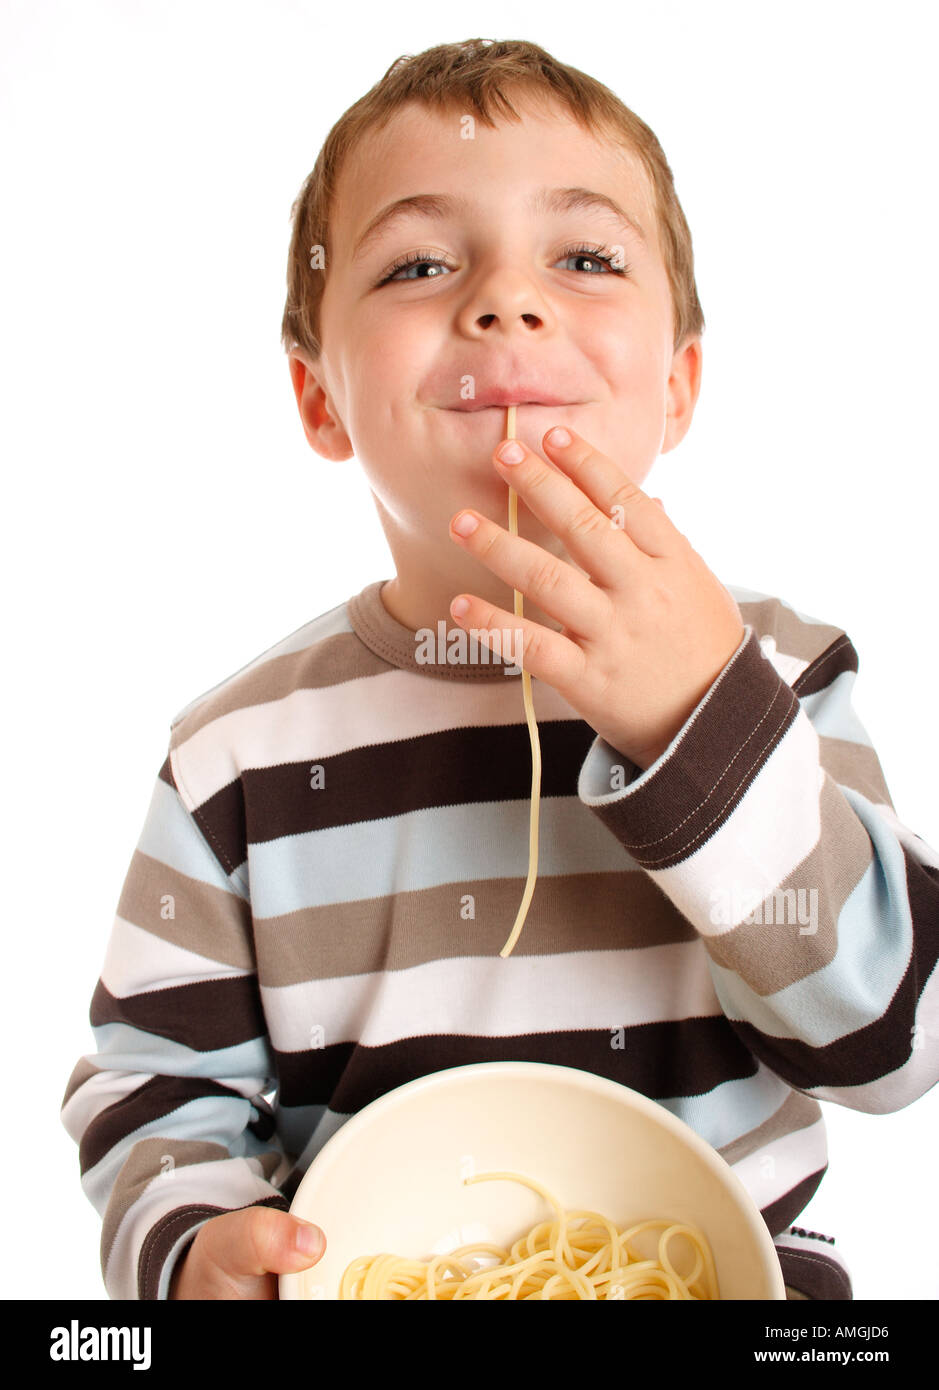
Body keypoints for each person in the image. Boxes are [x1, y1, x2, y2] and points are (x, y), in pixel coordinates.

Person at [61, 37, 939, 1301]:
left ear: (679, 384)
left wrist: (703, 726)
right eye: (420, 264)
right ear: (321, 398)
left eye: (584, 259)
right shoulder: (233, 756)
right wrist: (193, 1245)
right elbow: (153, 1085)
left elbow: (892, 1042)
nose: (508, 302)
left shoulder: (774, 674)